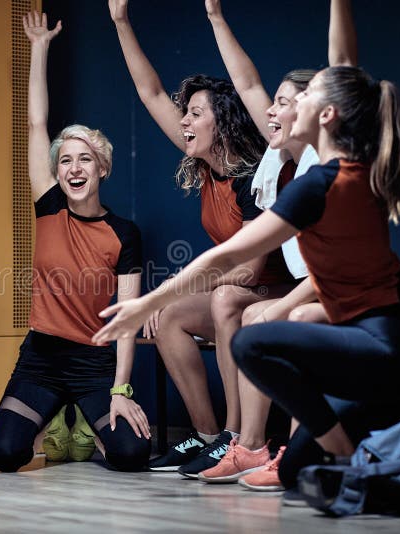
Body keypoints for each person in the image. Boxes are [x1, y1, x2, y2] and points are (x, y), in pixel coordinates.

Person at [93, 65, 400, 499]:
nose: (271, 110)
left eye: (298, 97)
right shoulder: (316, 179)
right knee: (299, 469)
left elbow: (232, 257)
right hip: (370, 343)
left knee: (255, 340)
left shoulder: (334, 179)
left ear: (327, 113)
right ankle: (336, 459)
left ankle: (336, 456)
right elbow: (229, 254)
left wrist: (148, 301)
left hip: (392, 338)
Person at [109, 0, 295, 477]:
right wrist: (120, 22)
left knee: (226, 295)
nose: (184, 122)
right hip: (238, 293)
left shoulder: (253, 178)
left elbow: (250, 271)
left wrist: (214, 14)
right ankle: (210, 436)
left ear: (222, 123)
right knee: (170, 316)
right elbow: (150, 94)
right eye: (185, 115)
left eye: (194, 114)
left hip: (278, 292)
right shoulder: (206, 166)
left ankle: (237, 437)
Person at [196, 0, 355, 488]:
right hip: (305, 285)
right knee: (241, 309)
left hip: (335, 290)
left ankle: (291, 449)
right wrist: (216, 17)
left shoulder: (330, 159)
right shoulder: (276, 157)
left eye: (284, 102)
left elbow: (343, 66)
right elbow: (246, 83)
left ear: (313, 110)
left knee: (267, 318)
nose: (270, 108)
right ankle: (249, 445)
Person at [0, 11, 151, 473]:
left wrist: (120, 390)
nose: (74, 168)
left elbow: (125, 321)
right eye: (66, 162)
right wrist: (39, 47)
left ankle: (85, 421)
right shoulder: (49, 208)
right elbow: (37, 124)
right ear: (57, 172)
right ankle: (59, 413)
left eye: (86, 160)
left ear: (103, 170)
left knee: (130, 455)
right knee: (5, 454)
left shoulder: (125, 234)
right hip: (42, 358)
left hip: (94, 365)